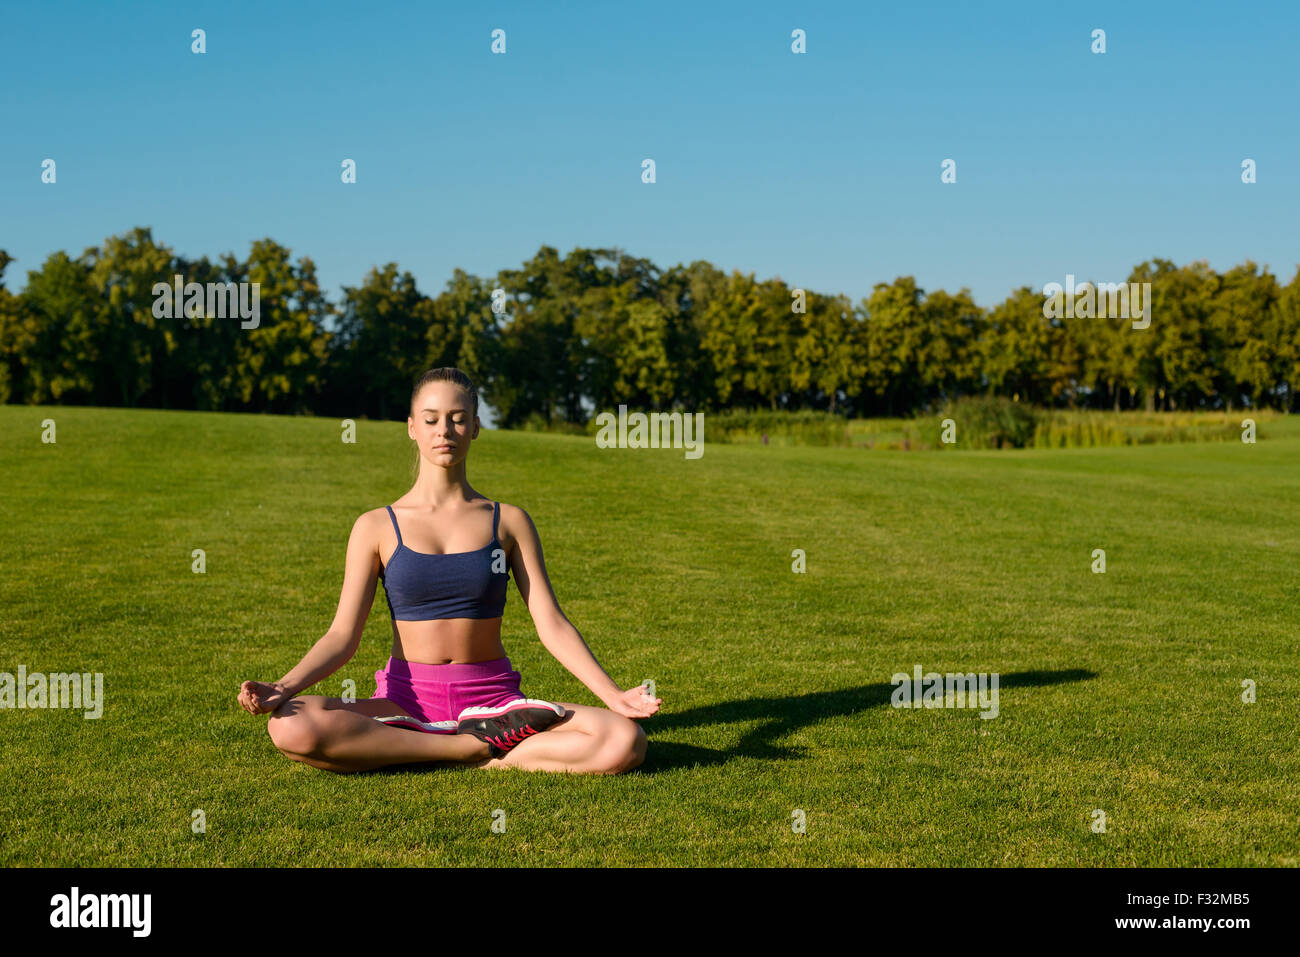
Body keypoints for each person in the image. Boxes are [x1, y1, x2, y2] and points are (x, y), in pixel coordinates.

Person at [237, 367, 660, 774]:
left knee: (625, 740)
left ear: (474, 427)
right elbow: (342, 637)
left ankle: (452, 744)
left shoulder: (508, 521)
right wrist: (284, 686)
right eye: (432, 419)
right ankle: (465, 748)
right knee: (290, 724)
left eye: (458, 419)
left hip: (495, 703)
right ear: (411, 427)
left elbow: (550, 623)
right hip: (405, 702)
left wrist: (612, 694)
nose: (445, 430)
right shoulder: (376, 526)